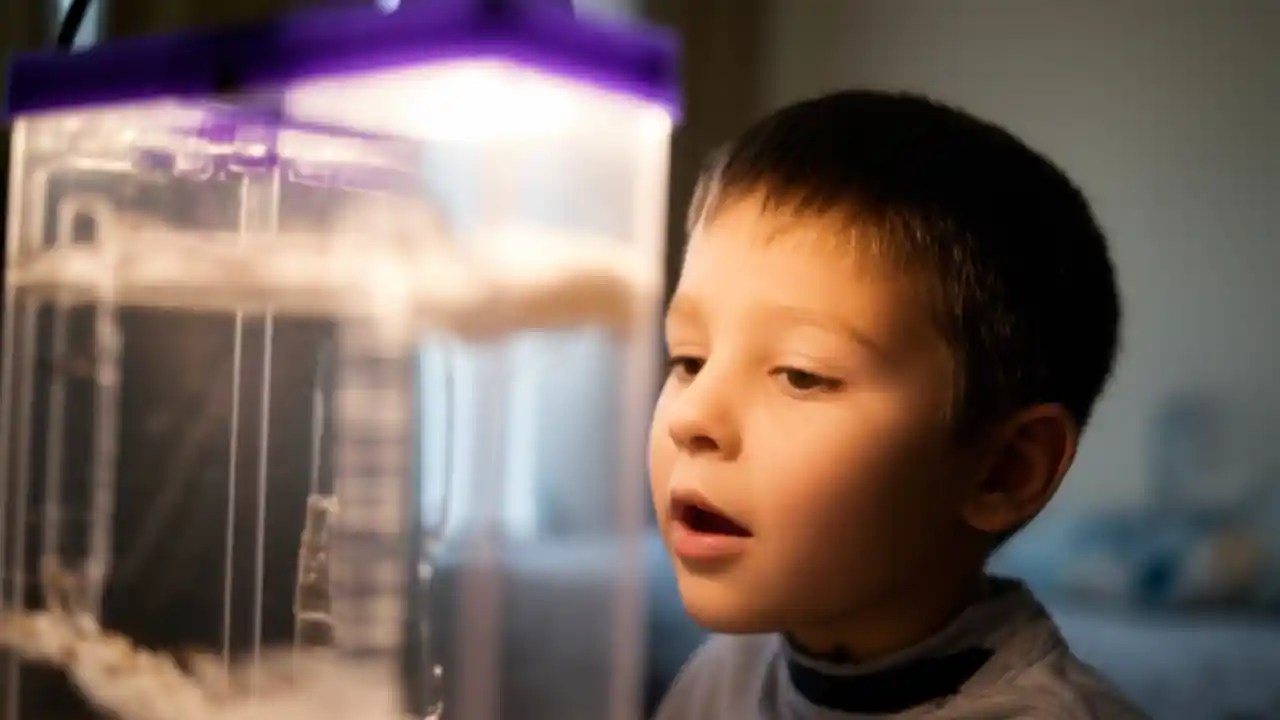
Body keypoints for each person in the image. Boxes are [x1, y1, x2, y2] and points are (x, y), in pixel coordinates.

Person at [648, 90, 1147, 719]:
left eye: (801, 375)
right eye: (689, 360)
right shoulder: (718, 681)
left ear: (1003, 470)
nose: (692, 418)